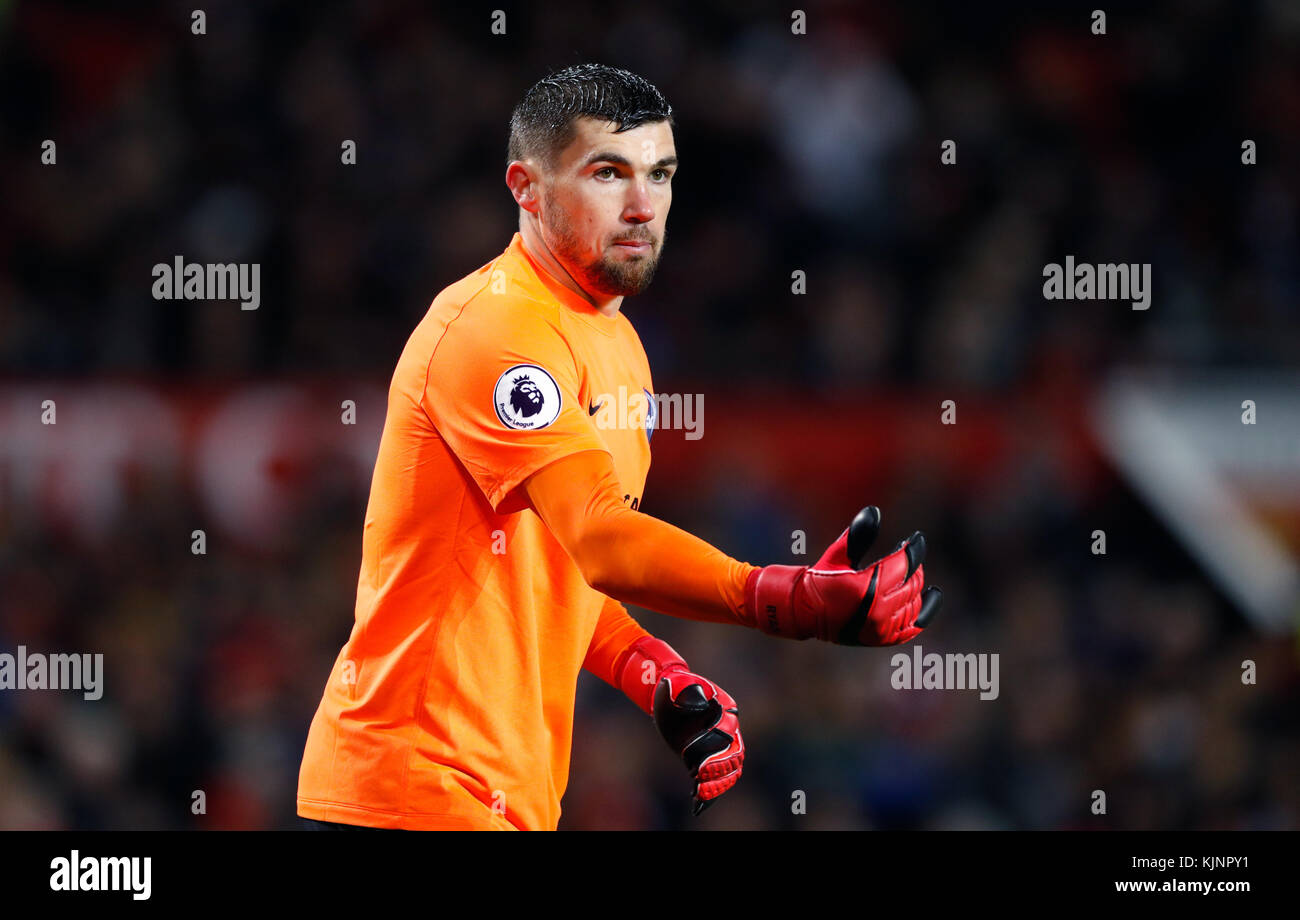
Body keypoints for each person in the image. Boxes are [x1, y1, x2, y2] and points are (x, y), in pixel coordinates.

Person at [297, 63, 941, 831]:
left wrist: (649, 668)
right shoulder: (493, 329)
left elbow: (569, 571)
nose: (643, 206)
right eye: (608, 173)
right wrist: (782, 597)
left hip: (496, 800)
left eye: (660, 174)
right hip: (413, 784)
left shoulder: (620, 347)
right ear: (526, 188)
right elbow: (602, 539)